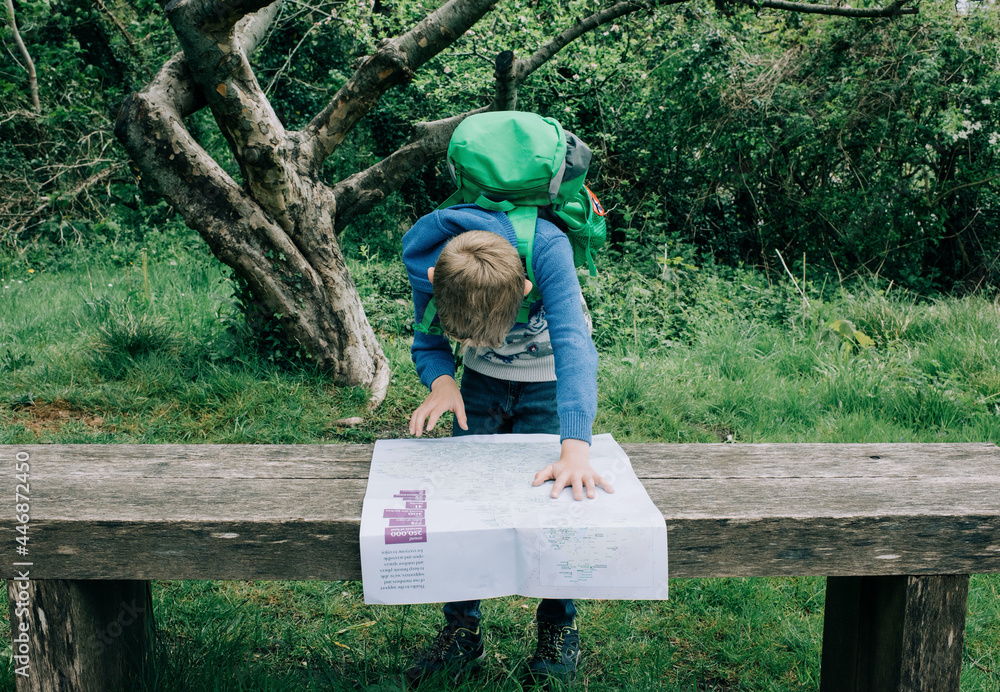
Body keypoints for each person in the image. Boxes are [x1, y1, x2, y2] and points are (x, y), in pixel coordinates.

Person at [401, 203, 614, 687]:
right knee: (466, 499)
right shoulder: (430, 261)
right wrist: (441, 382)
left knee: (555, 502)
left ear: (524, 290)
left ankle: (558, 625)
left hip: (549, 377)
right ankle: (461, 626)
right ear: (435, 278)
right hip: (480, 381)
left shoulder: (549, 250)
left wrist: (575, 446)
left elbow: (577, 347)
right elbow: (427, 337)